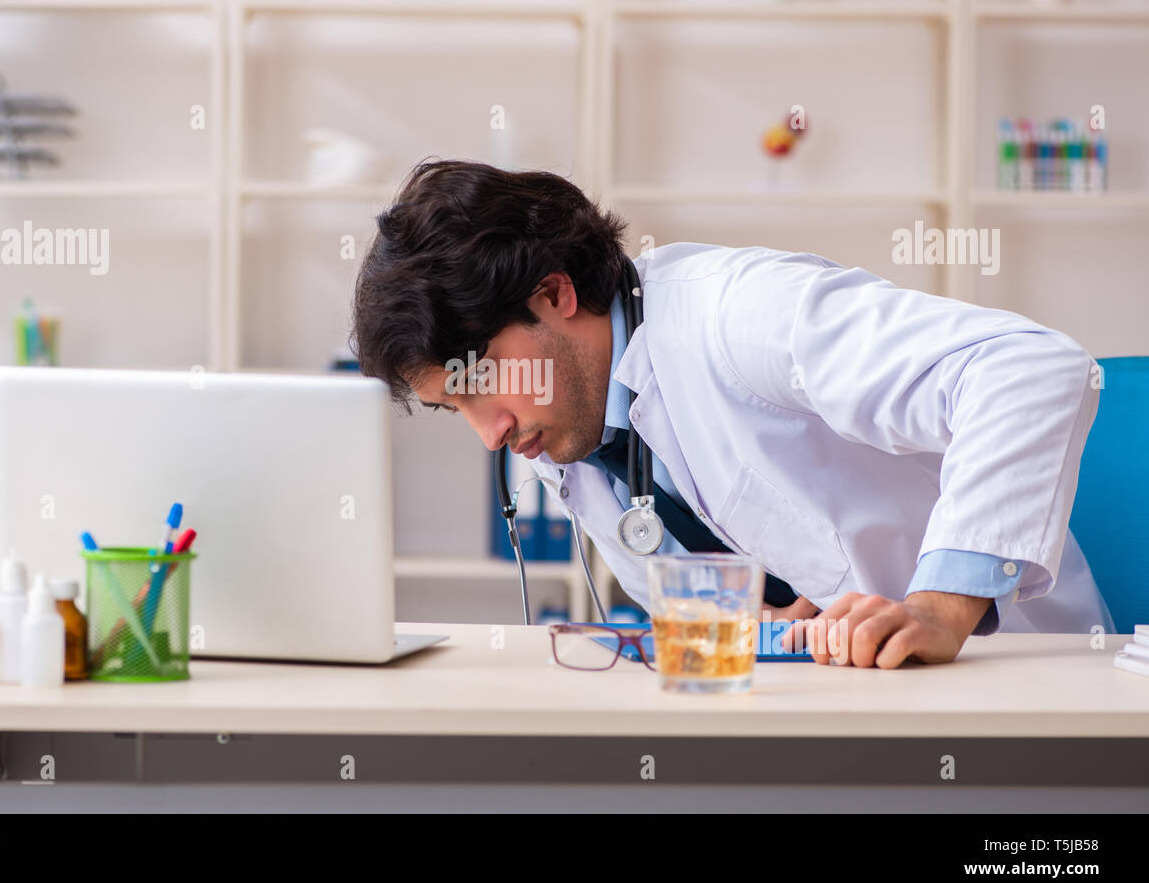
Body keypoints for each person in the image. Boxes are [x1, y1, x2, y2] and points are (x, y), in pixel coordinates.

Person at [350, 158, 1114, 668]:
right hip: (837, 709)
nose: (494, 434)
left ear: (554, 295)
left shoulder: (736, 314)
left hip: (1015, 681)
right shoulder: (574, 435)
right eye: (459, 407)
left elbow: (1029, 369)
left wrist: (940, 607)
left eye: (484, 380)